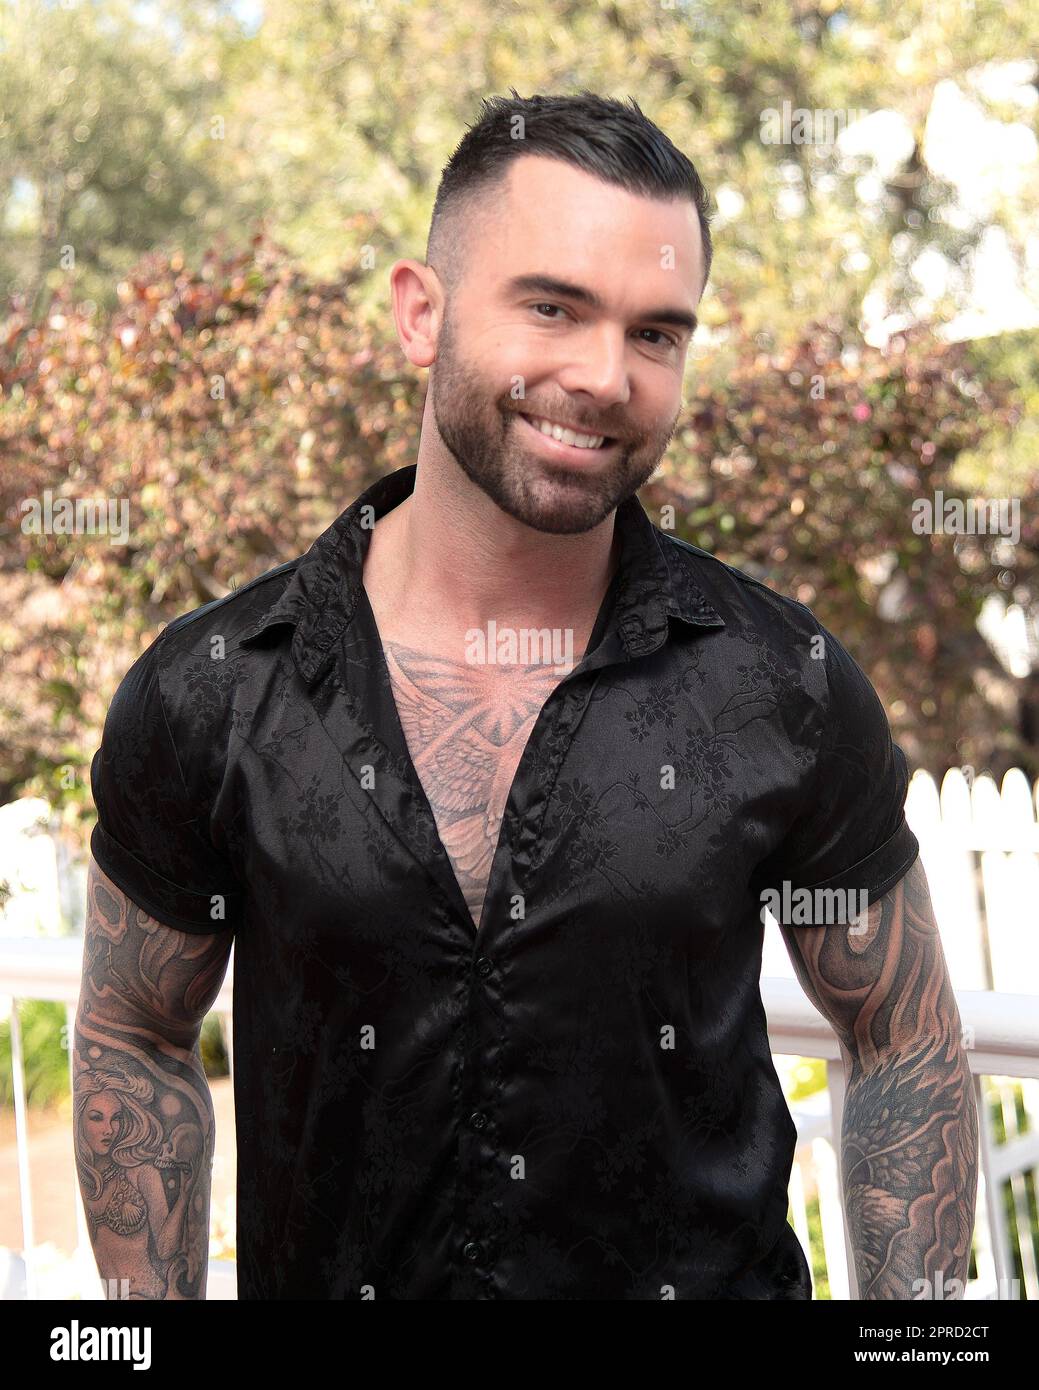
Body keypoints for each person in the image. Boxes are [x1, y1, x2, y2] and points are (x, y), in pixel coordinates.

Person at [77, 90, 978, 1300]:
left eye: (656, 334)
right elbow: (132, 1033)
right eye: (553, 306)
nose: (604, 376)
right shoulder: (211, 689)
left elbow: (904, 1038)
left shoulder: (782, 685)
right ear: (421, 311)